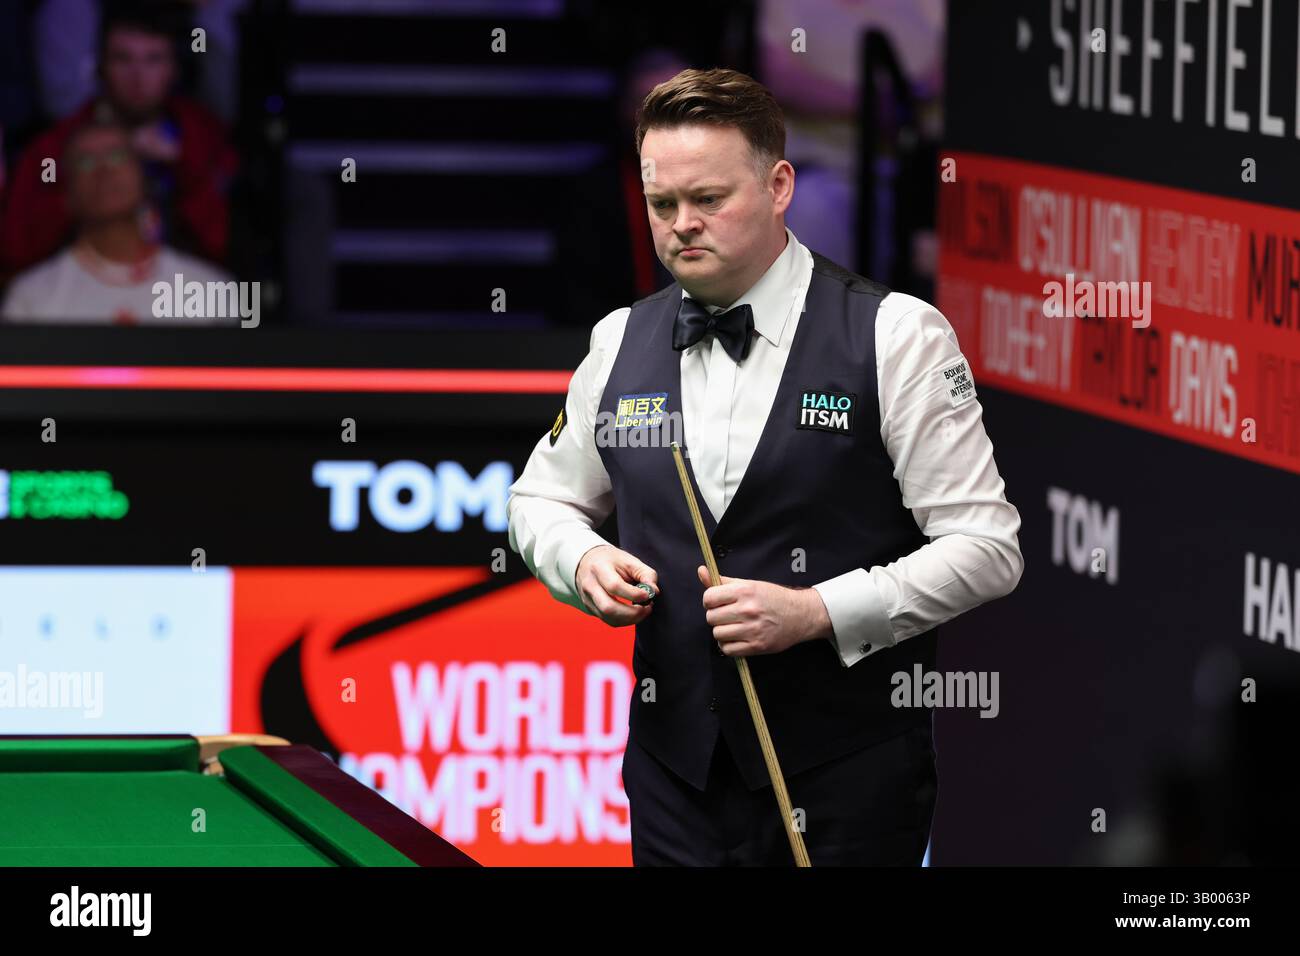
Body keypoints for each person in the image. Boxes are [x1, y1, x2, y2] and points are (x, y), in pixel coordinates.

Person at [506, 68, 1023, 865]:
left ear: (779, 185)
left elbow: (987, 549)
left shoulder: (897, 336)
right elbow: (542, 497)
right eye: (661, 204)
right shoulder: (618, 341)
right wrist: (582, 559)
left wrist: (819, 611)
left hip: (848, 779)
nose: (682, 225)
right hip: (673, 777)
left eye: (709, 199)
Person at [0, 3, 237, 279]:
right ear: (100, 67)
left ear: (173, 69)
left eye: (154, 59)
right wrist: (79, 178)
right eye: (123, 59)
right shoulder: (54, 150)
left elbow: (229, 247)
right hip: (80, 298)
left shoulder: (204, 137)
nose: (138, 77)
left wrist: (185, 169)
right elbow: (19, 249)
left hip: (182, 297)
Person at [1, 120, 233, 324]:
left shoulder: (210, 290)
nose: (104, 170)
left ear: (144, 179)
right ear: (67, 196)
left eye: (117, 156)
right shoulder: (31, 298)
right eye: (85, 162)